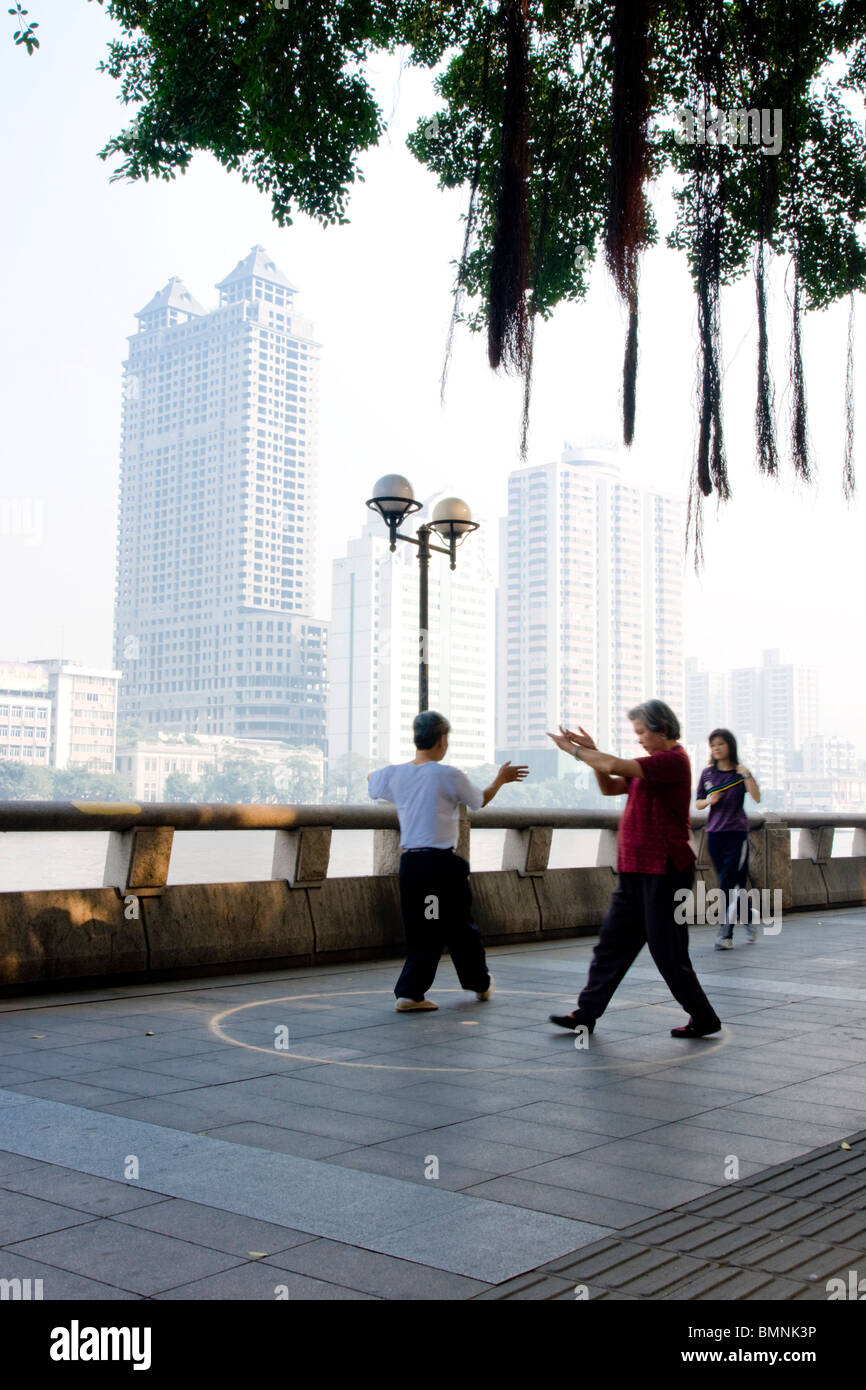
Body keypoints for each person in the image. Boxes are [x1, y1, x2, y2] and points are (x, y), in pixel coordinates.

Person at [546, 700, 721, 1039]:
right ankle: (585, 1015)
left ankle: (704, 1017)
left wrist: (573, 751)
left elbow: (614, 764)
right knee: (611, 946)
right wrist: (592, 753)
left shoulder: (672, 761)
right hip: (634, 870)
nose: (639, 739)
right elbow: (609, 783)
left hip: (665, 870)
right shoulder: (649, 766)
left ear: (662, 729)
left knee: (668, 952)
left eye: (642, 732)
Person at [367, 710, 528, 1012]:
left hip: (411, 865)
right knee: (447, 927)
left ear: (416, 739)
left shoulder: (394, 774)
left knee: (436, 925)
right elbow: (480, 800)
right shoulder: (448, 774)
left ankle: (478, 983)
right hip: (439, 866)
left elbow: (371, 781)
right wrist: (501, 779)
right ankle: (411, 993)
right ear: (442, 740)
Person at [696, 728, 761, 950]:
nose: (716, 748)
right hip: (714, 834)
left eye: (720, 744)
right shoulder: (707, 774)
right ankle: (749, 918)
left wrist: (747, 774)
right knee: (735, 884)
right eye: (713, 745)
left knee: (726, 883)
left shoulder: (739, 773)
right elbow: (698, 802)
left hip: (737, 834)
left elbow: (757, 797)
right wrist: (708, 801)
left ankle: (725, 934)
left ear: (730, 746)